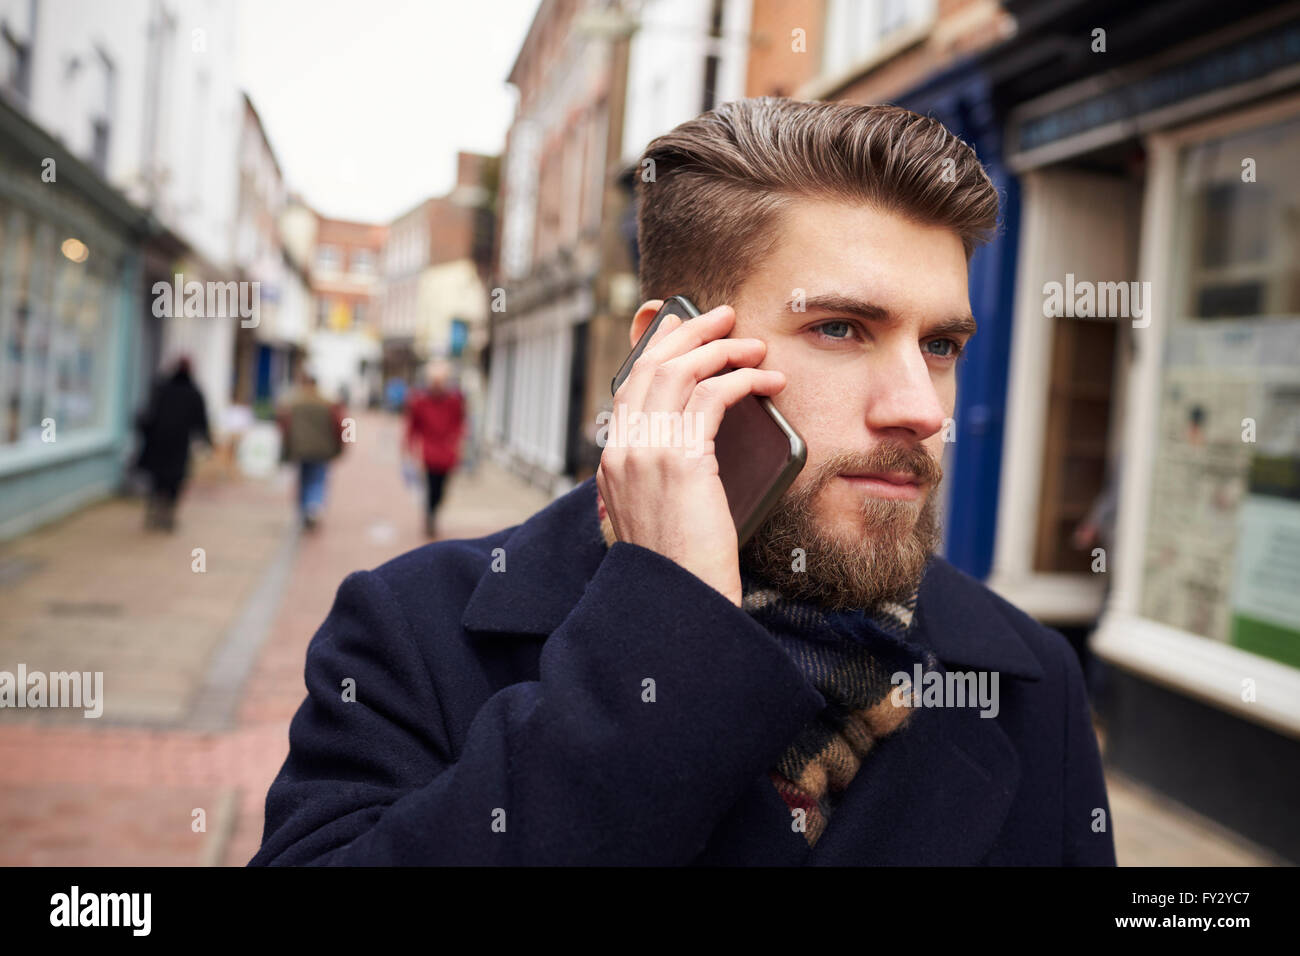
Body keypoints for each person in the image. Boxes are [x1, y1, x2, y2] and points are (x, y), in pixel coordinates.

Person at [251, 99, 1115, 866]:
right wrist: (667, 627)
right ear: (670, 353)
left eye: (941, 346)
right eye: (843, 328)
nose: (920, 408)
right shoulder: (416, 632)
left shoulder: (1029, 676)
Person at [134, 356, 211, 532]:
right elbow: (201, 420)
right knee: (174, 480)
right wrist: (206, 439)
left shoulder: (163, 388)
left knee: (159, 479)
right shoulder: (193, 392)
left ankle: (157, 510)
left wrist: (144, 430)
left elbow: (149, 415)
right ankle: (166, 514)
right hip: (178, 445)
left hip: (159, 443)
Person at [404, 360, 465, 538]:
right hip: (430, 452)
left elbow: (460, 423)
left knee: (442, 489)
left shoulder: (454, 401)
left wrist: (457, 441)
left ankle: (433, 510)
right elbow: (413, 425)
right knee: (431, 486)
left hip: (447, 452)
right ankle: (430, 516)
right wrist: (409, 446)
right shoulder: (420, 402)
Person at [277, 373, 345, 531]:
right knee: (318, 479)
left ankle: (303, 510)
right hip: (322, 449)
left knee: (303, 479)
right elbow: (341, 426)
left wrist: (286, 448)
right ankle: (313, 507)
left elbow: (284, 428)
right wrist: (340, 447)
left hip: (300, 449)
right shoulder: (328, 404)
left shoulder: (292, 404)